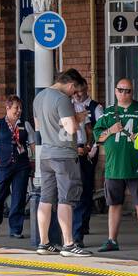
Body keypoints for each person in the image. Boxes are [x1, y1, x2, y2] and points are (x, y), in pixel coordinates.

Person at [32, 69, 92, 258]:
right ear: (71, 84)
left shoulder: (39, 98)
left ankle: (44, 243)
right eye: (74, 91)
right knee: (66, 199)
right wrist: (78, 118)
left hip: (46, 155)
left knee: (45, 199)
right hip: (64, 156)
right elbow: (71, 128)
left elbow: (38, 126)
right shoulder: (61, 99)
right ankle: (68, 244)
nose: (74, 95)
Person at [94, 77, 138, 252]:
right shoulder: (108, 113)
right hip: (114, 167)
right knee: (114, 204)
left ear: (133, 92)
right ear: (115, 91)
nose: (124, 93)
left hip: (136, 165)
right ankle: (112, 240)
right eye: (121, 90)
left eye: (128, 90)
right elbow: (98, 137)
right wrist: (111, 130)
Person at [0, 95, 31, 239]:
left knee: (19, 197)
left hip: (21, 165)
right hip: (3, 165)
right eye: (16, 108)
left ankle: (15, 229)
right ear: (7, 108)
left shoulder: (25, 124)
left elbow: (32, 143)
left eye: (20, 108)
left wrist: (35, 161)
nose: (19, 111)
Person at [71, 78, 103, 246]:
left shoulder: (93, 107)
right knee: (73, 192)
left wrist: (92, 148)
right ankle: (75, 229)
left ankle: (81, 227)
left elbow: (96, 130)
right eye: (75, 92)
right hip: (70, 151)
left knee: (86, 189)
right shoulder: (66, 106)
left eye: (81, 92)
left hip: (87, 152)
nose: (78, 95)